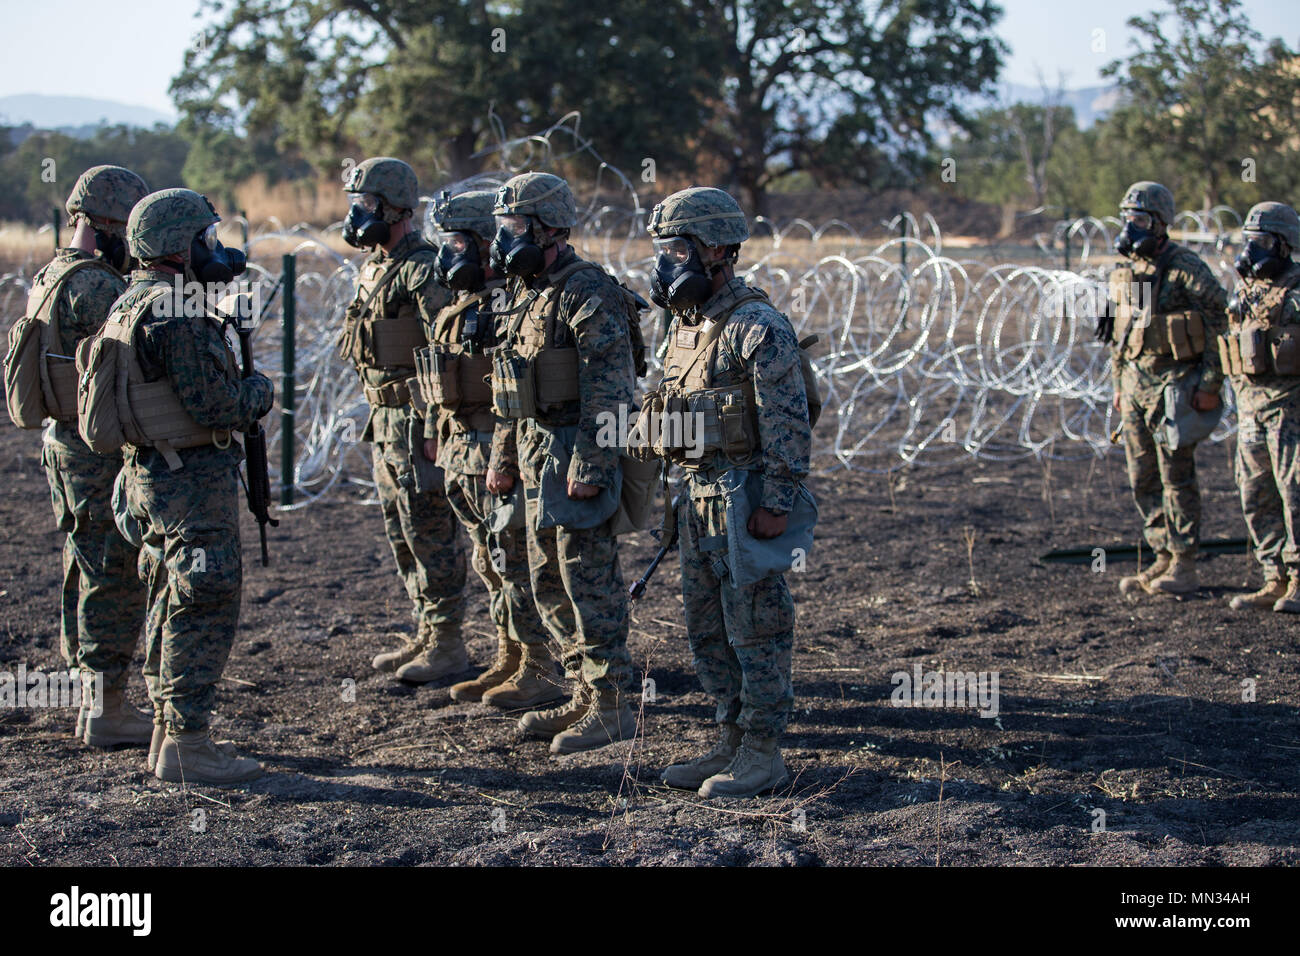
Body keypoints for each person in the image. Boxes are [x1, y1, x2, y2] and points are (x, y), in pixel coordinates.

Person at [637, 186, 813, 797]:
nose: (667, 262)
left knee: (756, 625)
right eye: (663, 248)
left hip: (744, 497)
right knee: (705, 628)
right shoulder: (682, 328)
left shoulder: (757, 327)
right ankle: (729, 738)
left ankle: (764, 751)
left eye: (678, 248)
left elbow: (787, 423)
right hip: (695, 497)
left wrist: (777, 502)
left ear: (718, 250)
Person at [105, 188, 274, 783]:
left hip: (148, 478)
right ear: (179, 247)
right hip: (189, 488)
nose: (215, 248)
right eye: (205, 238)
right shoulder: (177, 310)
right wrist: (262, 392)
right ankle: (188, 743)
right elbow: (216, 404)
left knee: (168, 597)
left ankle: (164, 729)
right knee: (202, 603)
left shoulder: (131, 301)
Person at [488, 172, 639, 753]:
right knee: (547, 578)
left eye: (515, 226)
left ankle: (613, 703)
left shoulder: (587, 290)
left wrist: (592, 465)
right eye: (502, 227)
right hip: (533, 454)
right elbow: (511, 390)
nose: (504, 239)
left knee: (587, 579)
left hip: (575, 453)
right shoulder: (528, 293)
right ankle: (582, 689)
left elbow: (612, 389)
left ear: (549, 228)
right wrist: (503, 457)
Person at [4, 165, 152, 745]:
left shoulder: (50, 274)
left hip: (63, 448)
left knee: (85, 564)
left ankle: (94, 695)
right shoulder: (96, 286)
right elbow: (137, 362)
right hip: (96, 453)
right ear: (109, 223)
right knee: (113, 572)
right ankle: (107, 706)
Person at [418, 189, 561, 709]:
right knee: (489, 560)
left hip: (496, 450)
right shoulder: (459, 307)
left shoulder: (510, 304)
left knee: (517, 561)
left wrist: (504, 458)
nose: (449, 253)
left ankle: (540, 665)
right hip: (462, 450)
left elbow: (512, 390)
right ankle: (509, 653)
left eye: (458, 241)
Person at [337, 157, 468, 683]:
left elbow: (449, 349)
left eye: (366, 204)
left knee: (430, 528)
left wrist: (438, 427)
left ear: (396, 208)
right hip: (383, 421)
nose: (357, 214)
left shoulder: (423, 268)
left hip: (417, 423)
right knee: (401, 531)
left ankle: (449, 641)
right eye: (356, 203)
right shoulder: (374, 267)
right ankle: (425, 629)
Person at [1102, 181, 1228, 596]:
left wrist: (1210, 382)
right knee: (1143, 476)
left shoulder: (1184, 267)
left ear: (1159, 223)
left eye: (1138, 219)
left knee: (1177, 475)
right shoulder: (1133, 271)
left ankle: (1185, 563)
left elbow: (1218, 323)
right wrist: (1120, 383)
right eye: (1127, 219)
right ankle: (1161, 555)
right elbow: (1126, 332)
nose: (1130, 227)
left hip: (1174, 385)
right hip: (1136, 385)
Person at [1220, 201, 1300, 613]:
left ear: (1284, 245)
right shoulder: (1247, 291)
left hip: (1291, 409)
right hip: (1252, 409)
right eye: (1249, 241)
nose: (1252, 251)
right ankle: (1275, 576)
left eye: (1263, 242)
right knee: (1255, 492)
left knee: (1295, 492)